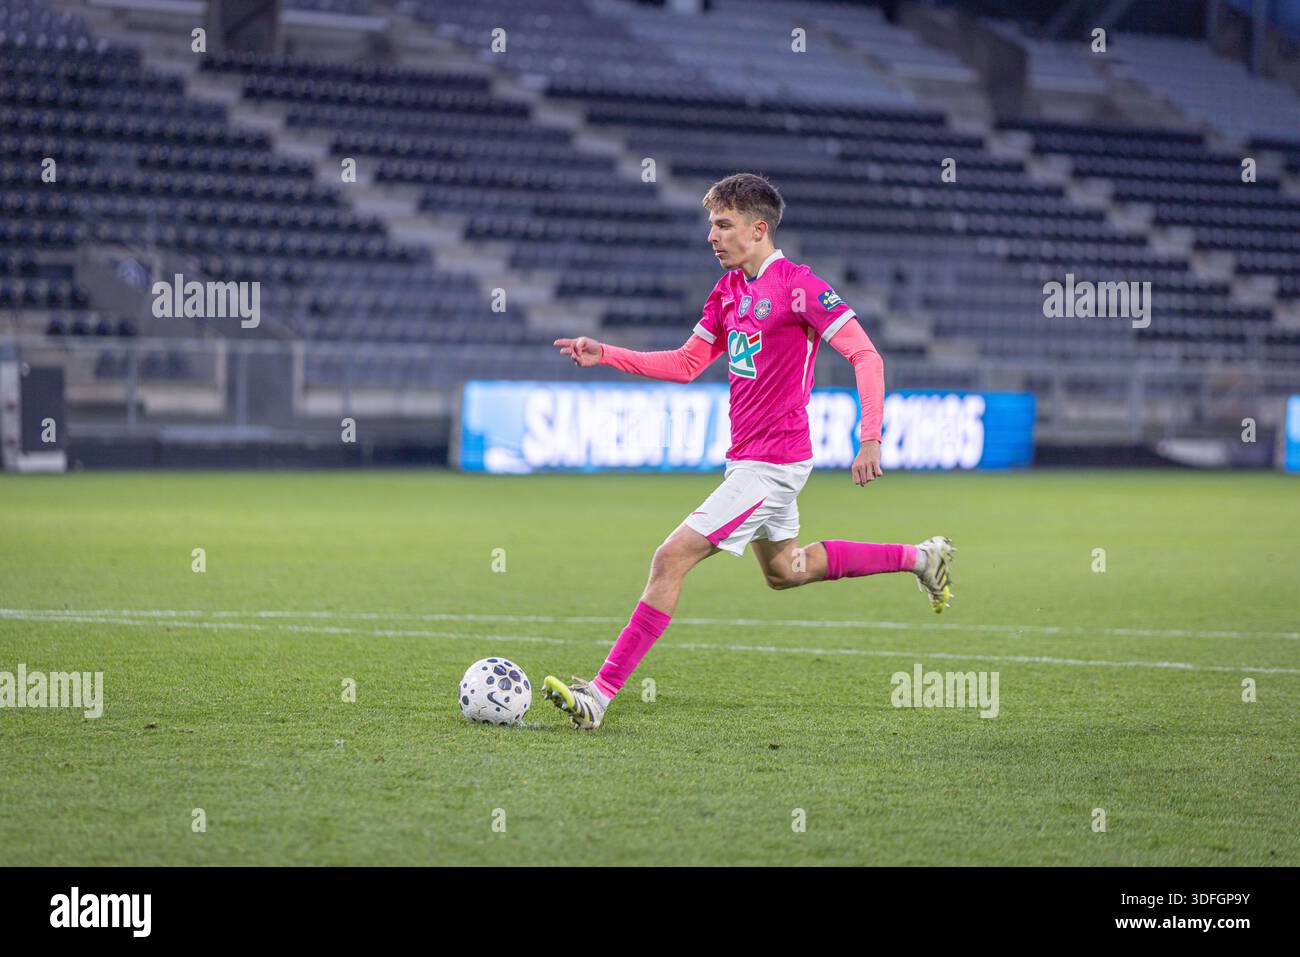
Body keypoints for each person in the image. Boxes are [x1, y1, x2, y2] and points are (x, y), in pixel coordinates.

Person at [545, 172, 954, 730]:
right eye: (711, 225)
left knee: (669, 558)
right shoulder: (729, 291)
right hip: (752, 460)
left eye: (723, 225)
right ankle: (921, 557)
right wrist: (608, 353)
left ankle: (599, 694)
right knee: (787, 570)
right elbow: (688, 363)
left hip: (773, 465)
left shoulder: (799, 285)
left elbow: (867, 356)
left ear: (758, 229)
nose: (712, 236)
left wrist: (870, 437)